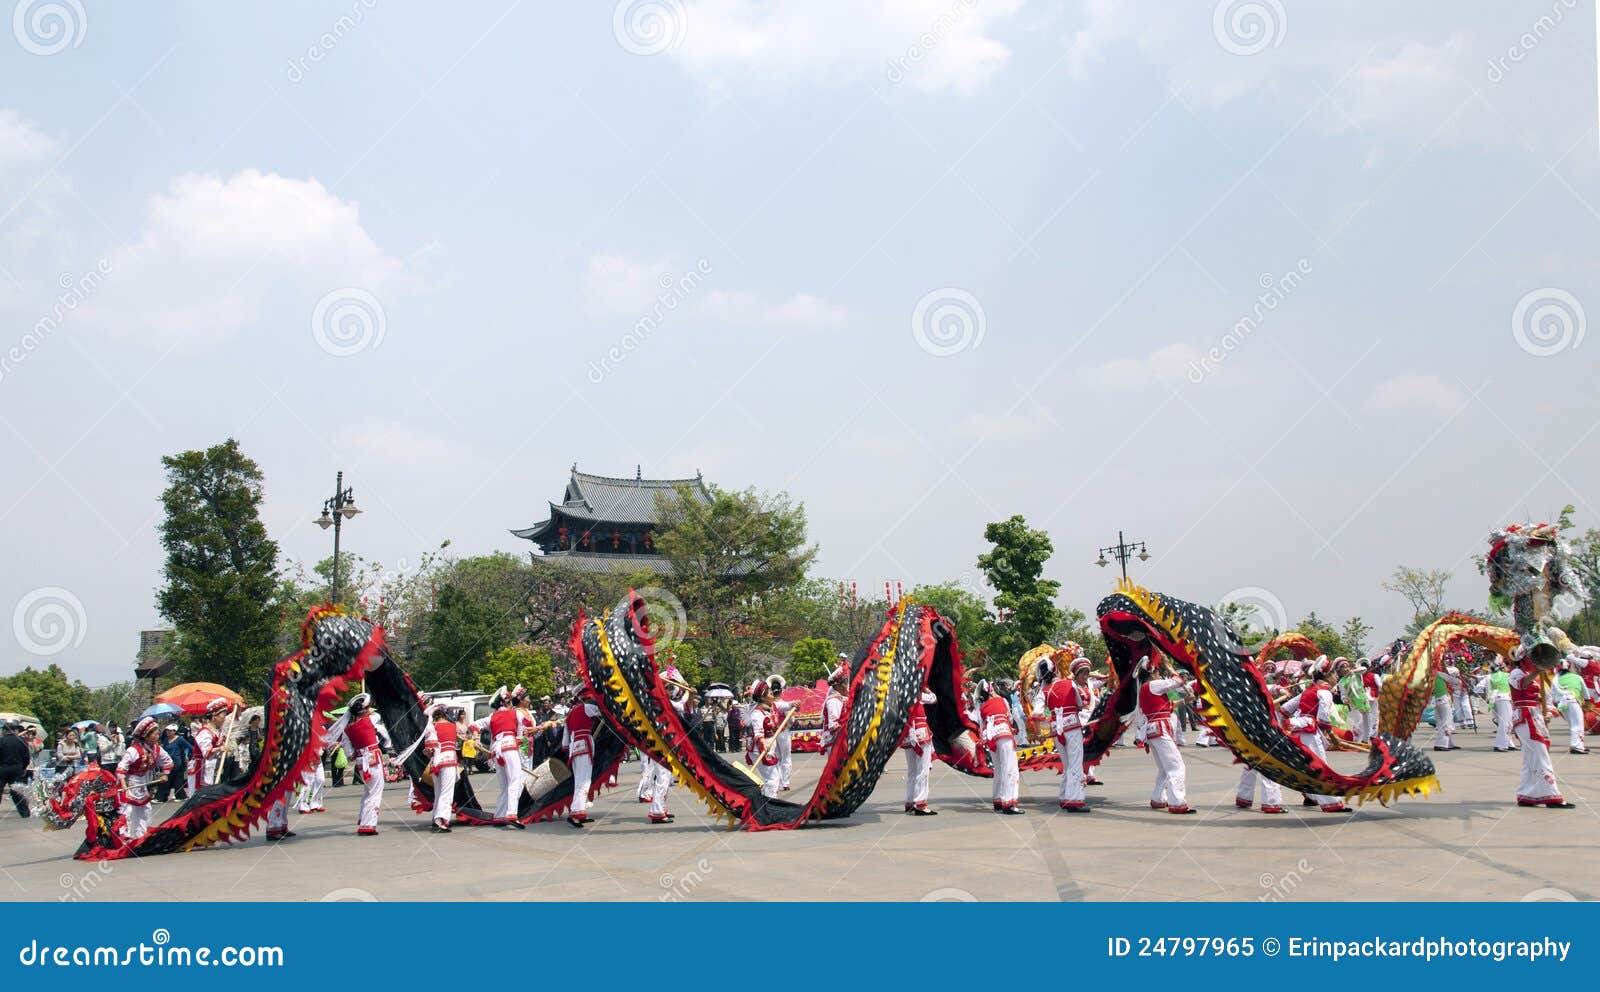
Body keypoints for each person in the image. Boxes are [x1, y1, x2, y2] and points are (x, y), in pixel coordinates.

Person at [1279, 659, 1353, 813]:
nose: (1336, 678)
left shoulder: (1308, 691)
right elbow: (1324, 718)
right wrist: (1333, 737)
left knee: (1308, 765)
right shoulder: (1324, 692)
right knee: (1320, 766)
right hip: (1309, 732)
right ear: (1328, 676)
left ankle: (1311, 796)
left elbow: (1285, 709)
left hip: (1298, 731)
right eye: (1334, 674)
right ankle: (1332, 803)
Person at [1508, 653, 1573, 807]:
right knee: (1540, 754)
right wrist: (1536, 671)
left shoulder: (1538, 678)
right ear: (1523, 660)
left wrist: (1549, 712)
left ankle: (1526, 794)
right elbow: (1521, 685)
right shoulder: (1516, 673)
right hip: (1525, 716)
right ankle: (1551, 795)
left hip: (1536, 716)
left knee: (1530, 756)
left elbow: (1547, 699)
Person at [1136, 656, 1194, 814]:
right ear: (1152, 672)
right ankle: (1177, 802)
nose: (1159, 674)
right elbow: (1178, 682)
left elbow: (1165, 707)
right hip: (1160, 729)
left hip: (1154, 730)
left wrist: (1185, 701)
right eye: (1158, 671)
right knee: (1177, 766)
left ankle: (1159, 798)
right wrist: (1168, 665)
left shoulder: (1145, 688)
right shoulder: (1153, 685)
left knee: (1164, 767)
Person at [470, 686, 530, 828]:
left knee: (504, 785)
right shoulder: (517, 714)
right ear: (507, 702)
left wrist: (476, 739)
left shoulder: (492, 717)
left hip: (496, 750)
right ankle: (511, 814)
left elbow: (473, 725)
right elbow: (521, 736)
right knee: (515, 780)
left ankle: (499, 815)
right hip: (510, 746)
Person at [340, 693, 391, 835]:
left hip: (361, 760)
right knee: (374, 792)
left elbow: (347, 748)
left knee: (368, 790)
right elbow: (385, 734)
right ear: (364, 709)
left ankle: (363, 817)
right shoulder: (373, 719)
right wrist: (387, 744)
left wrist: (352, 754)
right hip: (373, 756)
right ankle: (368, 824)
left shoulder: (347, 729)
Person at [115, 718, 174, 840]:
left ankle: (141, 836)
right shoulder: (134, 750)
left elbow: (167, 761)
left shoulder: (157, 749)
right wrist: (123, 784)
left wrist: (165, 775)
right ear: (146, 736)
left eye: (158, 733)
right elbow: (121, 767)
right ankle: (124, 837)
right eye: (155, 733)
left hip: (143, 782)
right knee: (128, 811)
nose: (158, 736)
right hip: (129, 782)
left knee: (145, 809)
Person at [1042, 659, 1089, 812]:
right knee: (1075, 763)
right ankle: (1074, 799)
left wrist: (1043, 730)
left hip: (1057, 729)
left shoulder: (1045, 690)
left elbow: (1038, 713)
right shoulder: (1070, 684)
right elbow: (1081, 703)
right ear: (1056, 670)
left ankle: (1064, 797)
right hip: (1072, 726)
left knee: (1067, 764)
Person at [977, 680, 1022, 814]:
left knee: (999, 768)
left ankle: (998, 799)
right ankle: (1009, 802)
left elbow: (981, 725)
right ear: (991, 690)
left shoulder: (982, 707)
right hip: (1003, 734)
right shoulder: (1002, 700)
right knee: (1010, 768)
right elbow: (1010, 718)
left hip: (990, 737)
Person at [564, 689, 603, 827]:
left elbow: (565, 739)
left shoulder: (570, 713)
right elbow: (604, 711)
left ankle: (579, 811)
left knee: (579, 780)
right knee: (584, 780)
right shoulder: (587, 707)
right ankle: (576, 811)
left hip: (574, 746)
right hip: (584, 743)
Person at [421, 704, 461, 832]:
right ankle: (442, 819)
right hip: (449, 760)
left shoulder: (431, 727)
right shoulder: (451, 726)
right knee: (446, 791)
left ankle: (435, 817)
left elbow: (428, 750)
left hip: (435, 762)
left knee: (438, 791)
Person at [901, 684, 938, 815]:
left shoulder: (901, 697)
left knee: (912, 771)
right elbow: (933, 698)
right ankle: (921, 803)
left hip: (908, 735)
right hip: (921, 732)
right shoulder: (919, 695)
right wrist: (926, 688)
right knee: (923, 770)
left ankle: (910, 801)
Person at [745, 680, 782, 799]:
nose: (773, 695)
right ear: (763, 698)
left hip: (769, 748)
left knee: (773, 778)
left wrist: (793, 704)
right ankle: (770, 807)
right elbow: (758, 732)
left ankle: (767, 805)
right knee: (772, 779)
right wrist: (763, 742)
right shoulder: (757, 713)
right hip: (760, 749)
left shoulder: (770, 708)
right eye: (770, 693)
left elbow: (785, 705)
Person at [189, 699, 229, 793]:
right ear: (214, 716)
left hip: (212, 767)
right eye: (223, 715)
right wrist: (220, 748)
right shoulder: (204, 732)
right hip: (201, 768)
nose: (225, 718)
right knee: (200, 796)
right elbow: (206, 752)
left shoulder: (218, 731)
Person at [1478, 658, 1516, 752]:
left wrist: (1485, 697)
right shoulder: (1508, 675)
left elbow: (1478, 688)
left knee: (1505, 723)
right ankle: (1500, 745)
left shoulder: (1489, 676)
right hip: (1504, 699)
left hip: (1494, 699)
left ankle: (1508, 743)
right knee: (1505, 723)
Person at [1554, 658, 1589, 754]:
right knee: (1578, 724)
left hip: (1562, 705)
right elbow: (1585, 691)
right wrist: (1587, 701)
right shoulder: (1577, 677)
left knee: (1573, 724)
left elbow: (1553, 695)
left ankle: (1580, 745)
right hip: (1573, 702)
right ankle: (1576, 746)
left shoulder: (1556, 680)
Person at [0, 722, 32, 817]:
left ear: (4, 731)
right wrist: (24, 767)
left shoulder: (1, 741)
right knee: (17, 791)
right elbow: (27, 757)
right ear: (15, 730)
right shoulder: (22, 741)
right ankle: (25, 813)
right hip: (17, 769)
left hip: (3, 768)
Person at [768, 675, 794, 791]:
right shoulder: (784, 704)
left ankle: (779, 782)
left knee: (777, 757)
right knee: (785, 757)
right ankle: (785, 782)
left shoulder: (770, 705)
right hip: (782, 732)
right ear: (781, 691)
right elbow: (792, 720)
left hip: (775, 733)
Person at [154, 726, 191, 802]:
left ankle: (162, 797)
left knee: (171, 780)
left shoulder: (180, 739)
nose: (168, 732)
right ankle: (180, 796)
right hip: (168, 762)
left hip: (177, 762)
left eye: (170, 731)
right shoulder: (166, 740)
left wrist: (186, 754)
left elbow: (189, 746)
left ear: (174, 731)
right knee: (173, 780)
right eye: (167, 731)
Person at [819, 663, 848, 754]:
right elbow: (833, 727)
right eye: (845, 683)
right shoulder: (833, 701)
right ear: (838, 686)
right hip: (835, 741)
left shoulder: (840, 698)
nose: (847, 686)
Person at [1430, 664, 1458, 751]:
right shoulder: (1439, 674)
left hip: (1435, 701)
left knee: (1440, 722)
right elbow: (1453, 680)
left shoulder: (1426, 677)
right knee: (1446, 722)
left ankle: (1449, 743)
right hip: (1443, 700)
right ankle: (1441, 744)